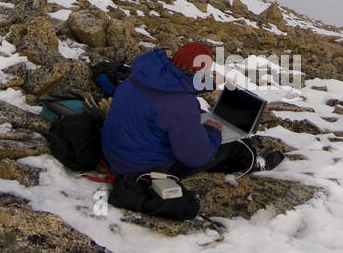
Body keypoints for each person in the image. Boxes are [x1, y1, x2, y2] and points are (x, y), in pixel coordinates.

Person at [100, 42, 284, 219]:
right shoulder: (180, 104)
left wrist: (211, 85)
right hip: (138, 167)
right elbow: (195, 156)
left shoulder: (142, 76)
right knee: (232, 143)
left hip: (113, 151)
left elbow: (171, 91)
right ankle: (255, 163)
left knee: (199, 120)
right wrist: (213, 131)